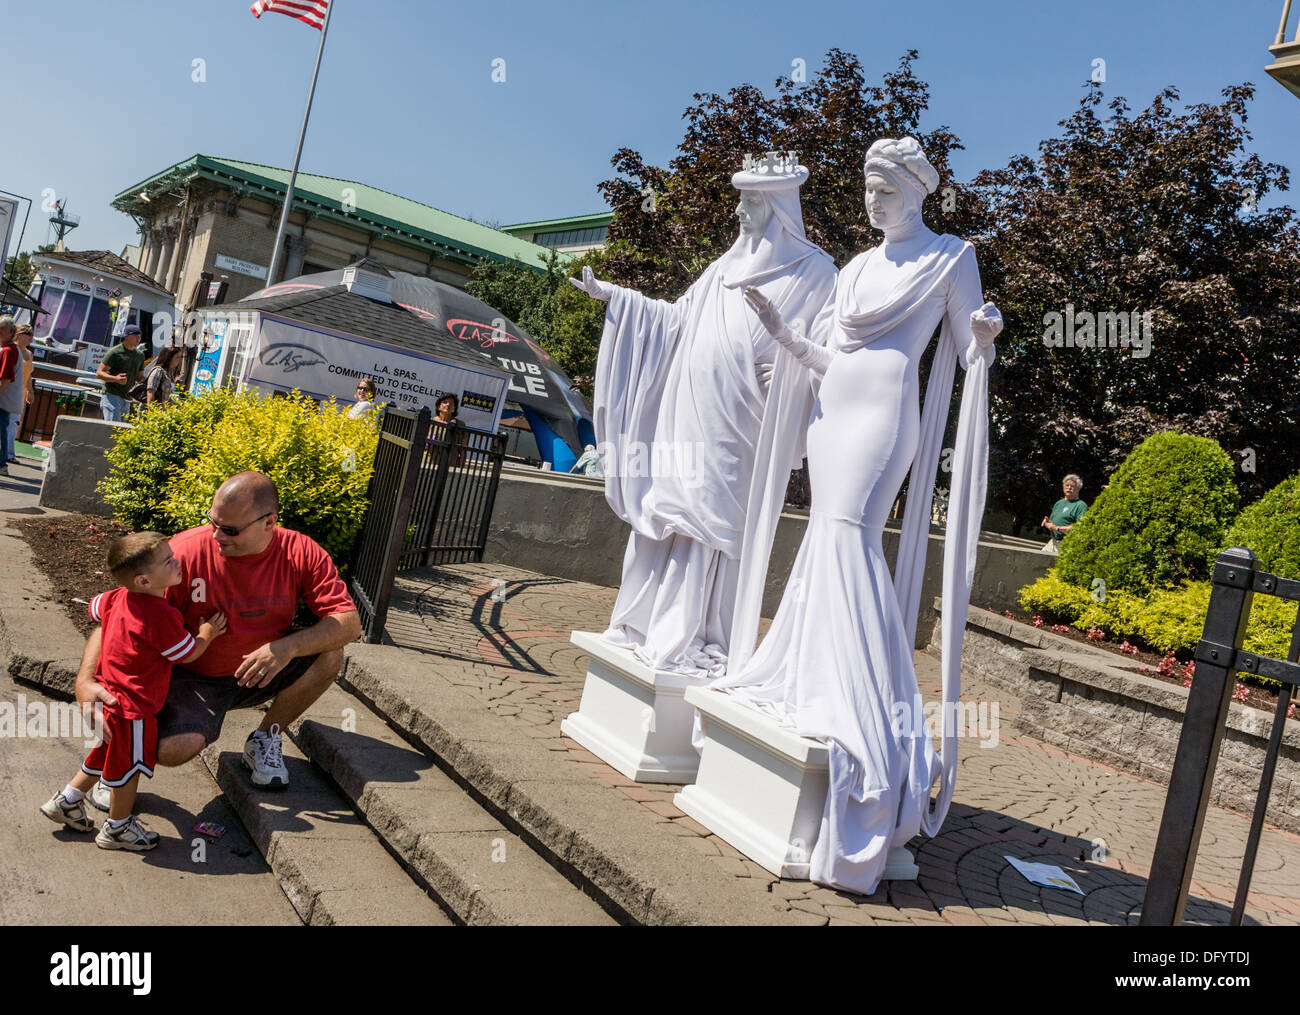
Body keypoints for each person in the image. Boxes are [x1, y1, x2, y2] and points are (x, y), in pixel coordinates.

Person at [710, 138, 1004, 895]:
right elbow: (831, 356)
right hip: (836, 409)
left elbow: (971, 356)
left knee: (850, 538)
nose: (874, 202)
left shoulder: (950, 255)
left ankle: (870, 714)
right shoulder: (854, 268)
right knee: (826, 541)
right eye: (868, 191)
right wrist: (783, 334)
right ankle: (815, 680)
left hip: (885, 418)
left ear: (914, 190)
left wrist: (982, 340)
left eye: (885, 189)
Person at [570, 154, 837, 676]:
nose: (739, 211)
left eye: (751, 201)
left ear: (779, 208)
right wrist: (616, 299)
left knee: (714, 520)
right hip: (689, 411)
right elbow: (675, 320)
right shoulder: (722, 267)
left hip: (746, 422)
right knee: (670, 509)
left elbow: (826, 353)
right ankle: (642, 622)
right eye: (740, 199)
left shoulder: (815, 272)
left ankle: (696, 634)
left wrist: (789, 368)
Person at [74, 471, 362, 808]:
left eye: (230, 530)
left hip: (258, 670)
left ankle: (265, 740)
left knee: (329, 654)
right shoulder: (182, 554)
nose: (216, 535)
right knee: (173, 749)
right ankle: (118, 768)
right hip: (191, 676)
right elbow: (119, 617)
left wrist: (287, 647)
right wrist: (85, 681)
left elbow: (349, 622)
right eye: (213, 522)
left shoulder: (301, 552)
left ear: (269, 522)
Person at [40, 532, 227, 850]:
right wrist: (207, 634)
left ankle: (67, 800)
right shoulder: (162, 616)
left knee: (105, 753)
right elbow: (186, 652)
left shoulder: (115, 597)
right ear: (143, 580)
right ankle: (117, 828)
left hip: (109, 696)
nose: (177, 562)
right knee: (128, 770)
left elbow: (94, 610)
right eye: (168, 561)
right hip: (134, 708)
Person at [96, 324, 146, 422]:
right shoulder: (114, 352)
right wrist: (116, 379)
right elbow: (99, 373)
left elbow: (140, 377)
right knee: (113, 430)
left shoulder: (140, 355)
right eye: (135, 336)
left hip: (128, 398)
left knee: (121, 433)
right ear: (126, 336)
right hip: (112, 396)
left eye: (140, 336)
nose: (138, 339)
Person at [1040, 474, 1087, 554]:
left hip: (1067, 545)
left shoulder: (1081, 505)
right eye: (1067, 485)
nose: (1069, 488)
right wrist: (1048, 522)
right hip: (1053, 542)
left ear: (1078, 488)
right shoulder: (1059, 503)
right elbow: (1053, 524)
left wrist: (1057, 528)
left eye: (1072, 486)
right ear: (1063, 486)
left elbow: (1079, 528)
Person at [8, 324, 35, 463]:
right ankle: (7, 453)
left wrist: (30, 390)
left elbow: (28, 374)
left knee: (14, 423)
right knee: (8, 422)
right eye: (28, 333)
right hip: (7, 391)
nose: (31, 336)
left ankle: (8, 453)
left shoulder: (29, 354)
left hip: (20, 393)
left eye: (32, 333)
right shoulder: (10, 349)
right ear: (19, 334)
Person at [0, 316, 21, 475]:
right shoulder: (11, 349)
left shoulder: (8, 350)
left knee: (2, 430)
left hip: (3, 399)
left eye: (3, 330)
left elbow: (6, 378)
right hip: (7, 399)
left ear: (11, 333)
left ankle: (2, 464)